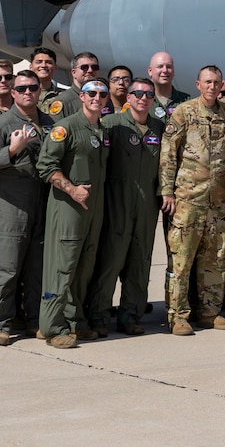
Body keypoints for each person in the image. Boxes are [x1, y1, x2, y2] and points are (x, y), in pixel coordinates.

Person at [160, 65, 225, 333]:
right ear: (198, 84)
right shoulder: (184, 112)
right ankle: (177, 315)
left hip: (217, 201)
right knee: (181, 259)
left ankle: (210, 312)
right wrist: (166, 191)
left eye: (217, 82)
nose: (212, 87)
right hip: (188, 199)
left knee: (215, 259)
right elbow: (169, 151)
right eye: (207, 82)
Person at [37, 78, 110, 347]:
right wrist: (71, 189)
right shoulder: (65, 128)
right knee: (62, 267)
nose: (97, 98)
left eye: (102, 94)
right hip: (69, 209)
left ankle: (74, 321)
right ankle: (52, 327)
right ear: (82, 96)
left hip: (92, 211)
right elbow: (45, 165)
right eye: (92, 93)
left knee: (83, 268)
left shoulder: (101, 130)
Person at [90, 78, 164, 334]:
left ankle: (130, 316)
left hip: (146, 206)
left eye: (148, 94)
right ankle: (98, 317)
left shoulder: (159, 128)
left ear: (153, 99)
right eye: (138, 93)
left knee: (140, 263)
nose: (143, 98)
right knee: (110, 261)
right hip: (117, 203)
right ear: (128, 97)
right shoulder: (111, 124)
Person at [0, 70, 48, 341]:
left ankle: (34, 320)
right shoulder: (2, 124)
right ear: (14, 93)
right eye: (21, 89)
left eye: (32, 87)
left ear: (39, 90)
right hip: (11, 204)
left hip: (42, 201)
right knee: (7, 269)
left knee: (36, 268)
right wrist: (12, 149)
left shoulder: (50, 123)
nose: (28, 92)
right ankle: (0, 326)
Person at [145, 51, 190, 122]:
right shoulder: (141, 101)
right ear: (150, 71)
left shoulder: (187, 101)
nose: (165, 70)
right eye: (160, 66)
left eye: (169, 67)